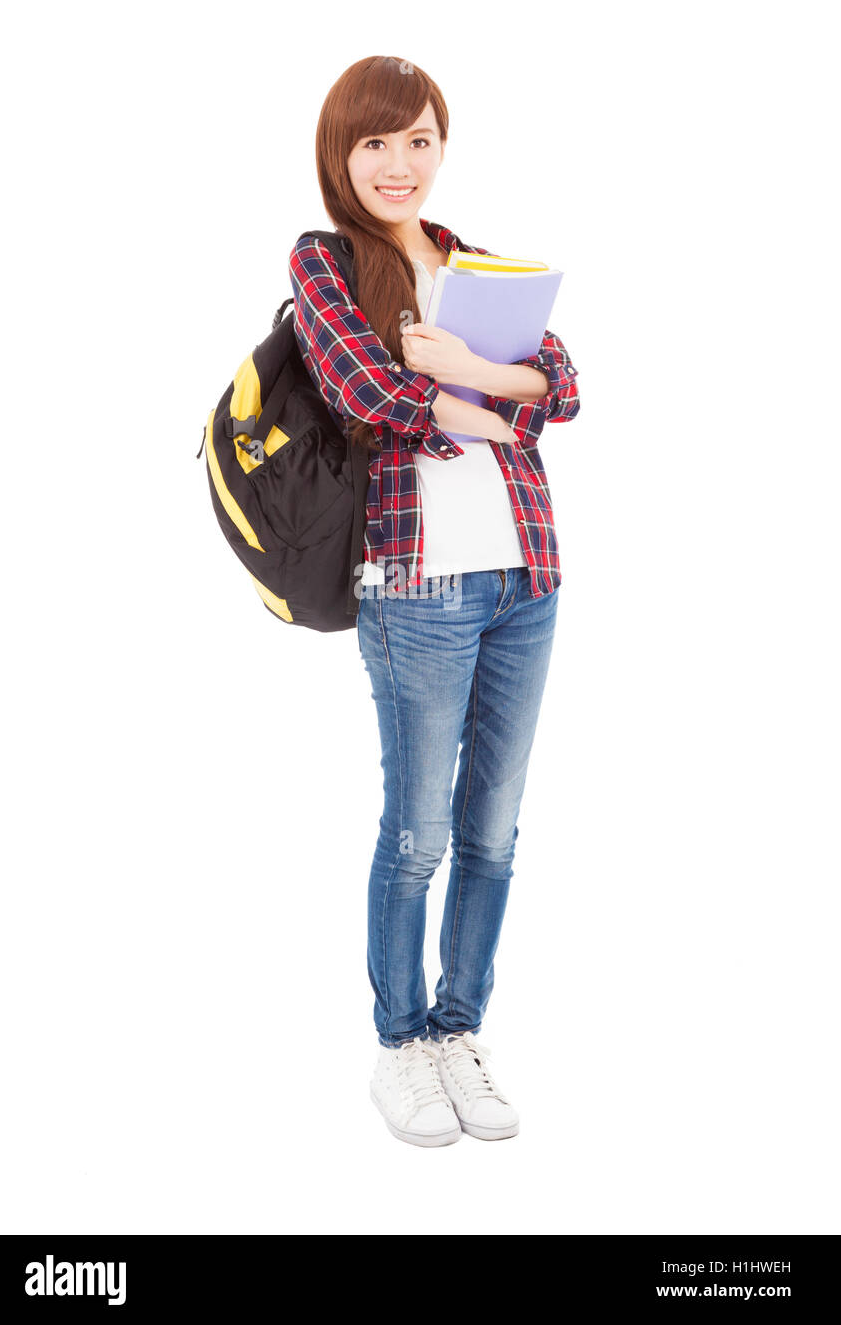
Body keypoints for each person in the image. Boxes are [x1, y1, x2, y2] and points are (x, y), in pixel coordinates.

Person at [288, 56, 580, 1148]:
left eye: (417, 139)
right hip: (413, 585)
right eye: (375, 143)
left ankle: (460, 1030)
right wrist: (503, 397)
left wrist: (474, 375)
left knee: (493, 835)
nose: (398, 163)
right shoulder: (324, 263)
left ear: (439, 147)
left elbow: (566, 380)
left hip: (523, 578)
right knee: (415, 835)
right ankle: (400, 1044)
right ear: (341, 156)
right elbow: (369, 396)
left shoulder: (476, 263)